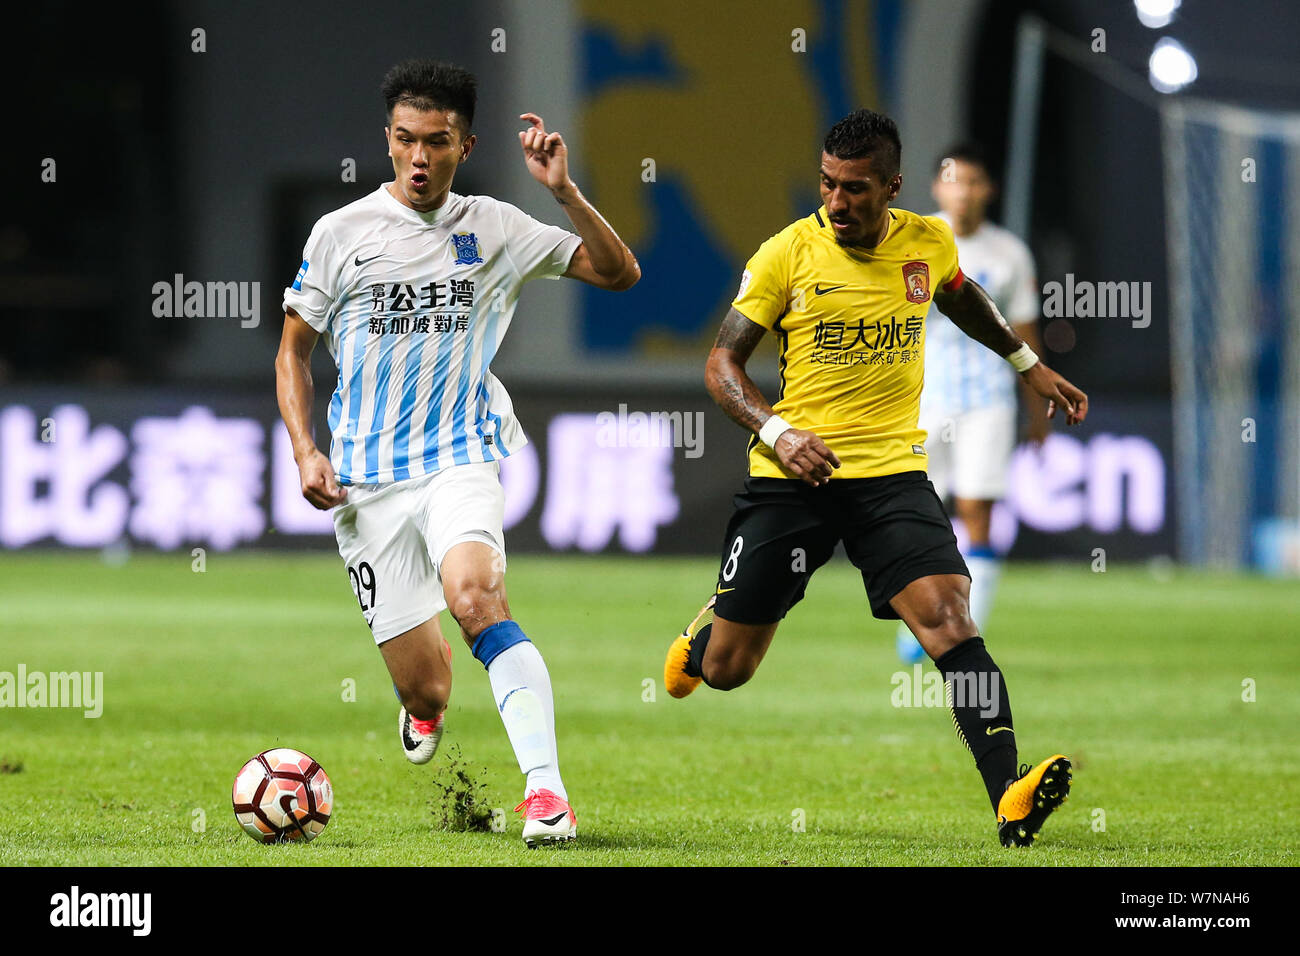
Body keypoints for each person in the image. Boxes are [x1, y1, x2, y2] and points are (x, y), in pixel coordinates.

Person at [662, 109, 1084, 846]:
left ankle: (1009, 798)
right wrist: (778, 431)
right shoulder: (785, 254)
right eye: (828, 184)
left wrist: (1028, 364)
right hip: (792, 475)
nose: (838, 202)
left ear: (891, 186)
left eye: (856, 189)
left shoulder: (927, 241)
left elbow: (959, 295)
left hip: (891, 473)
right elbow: (721, 365)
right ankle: (702, 641)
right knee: (730, 671)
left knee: (952, 620)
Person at [275, 59, 639, 847]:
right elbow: (293, 352)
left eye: (436, 142)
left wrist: (564, 193)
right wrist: (306, 450)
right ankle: (423, 708)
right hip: (366, 486)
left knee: (477, 600)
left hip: (459, 458)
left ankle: (547, 793)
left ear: (465, 145)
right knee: (427, 681)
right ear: (389, 139)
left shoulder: (498, 227)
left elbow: (619, 273)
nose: (418, 157)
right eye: (405, 139)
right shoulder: (341, 234)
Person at [897, 143, 1047, 664]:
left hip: (987, 401)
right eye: (953, 181)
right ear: (938, 187)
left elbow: (1025, 335)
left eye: (974, 182)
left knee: (976, 511)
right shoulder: (910, 239)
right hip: (922, 399)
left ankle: (965, 628)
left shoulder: (1009, 253)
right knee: (916, 510)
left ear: (989, 190)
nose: (963, 192)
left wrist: (1037, 408)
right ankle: (919, 619)